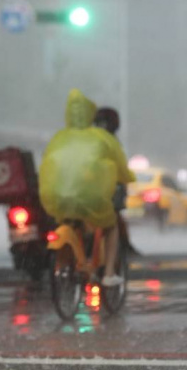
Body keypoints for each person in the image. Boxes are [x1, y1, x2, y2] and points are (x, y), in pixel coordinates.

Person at [38, 89, 135, 288]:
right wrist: (127, 179)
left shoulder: (59, 137)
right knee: (111, 225)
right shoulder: (103, 138)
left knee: (70, 221)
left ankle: (67, 266)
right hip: (92, 198)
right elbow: (121, 170)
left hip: (57, 196)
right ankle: (108, 274)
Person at [94, 107, 142, 258]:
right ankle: (112, 263)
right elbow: (121, 169)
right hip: (105, 188)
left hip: (87, 188)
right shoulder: (112, 142)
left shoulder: (88, 139)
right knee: (114, 219)